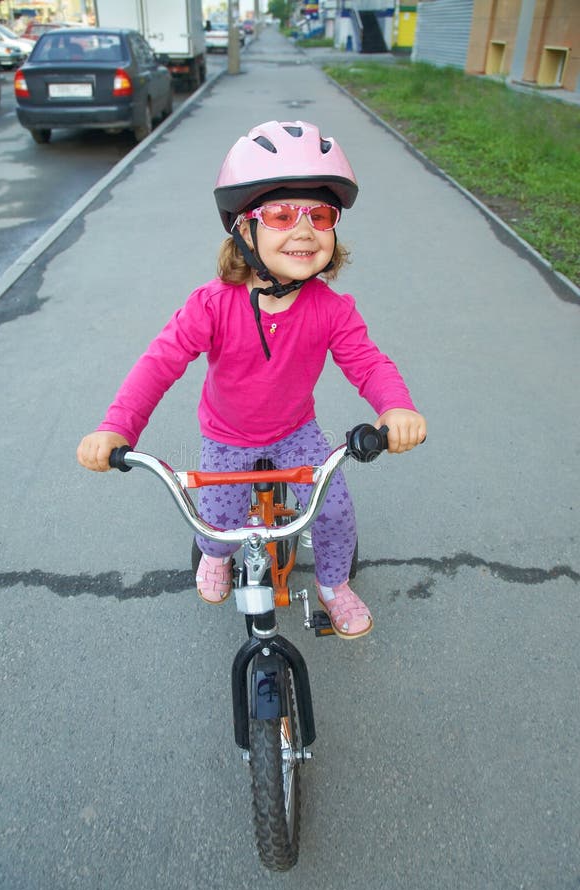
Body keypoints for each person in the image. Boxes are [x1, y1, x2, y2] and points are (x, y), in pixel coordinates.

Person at [77, 120, 427, 640]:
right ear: (244, 230)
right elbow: (160, 363)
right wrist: (116, 427)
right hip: (227, 434)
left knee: (333, 512)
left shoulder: (331, 309)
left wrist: (395, 406)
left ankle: (334, 586)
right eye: (282, 214)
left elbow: (368, 361)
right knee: (217, 526)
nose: (303, 228)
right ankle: (216, 558)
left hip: (296, 431)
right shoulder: (212, 306)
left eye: (320, 214)